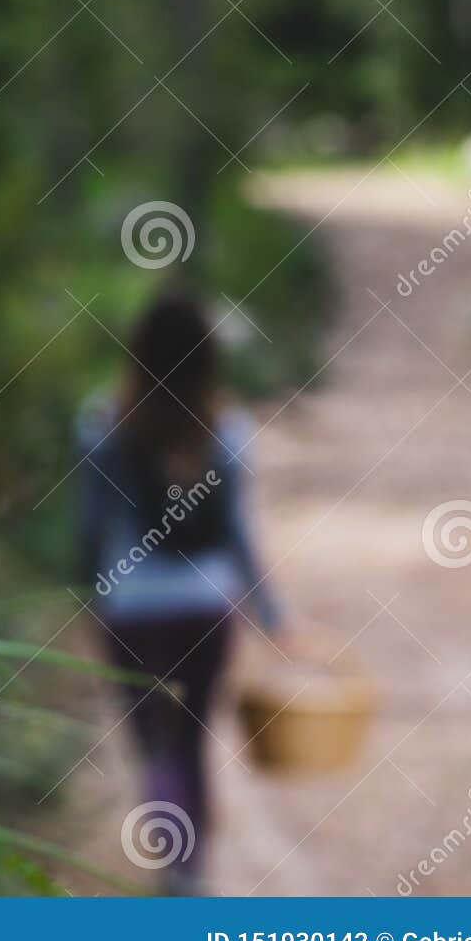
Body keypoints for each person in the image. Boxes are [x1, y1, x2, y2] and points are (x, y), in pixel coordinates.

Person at [76, 288, 282, 895]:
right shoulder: (227, 426)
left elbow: (91, 526)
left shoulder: (100, 423)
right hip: (206, 607)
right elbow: (241, 534)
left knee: (152, 745)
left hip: (131, 608)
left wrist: (88, 593)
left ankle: (174, 858)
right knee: (191, 739)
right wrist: (271, 614)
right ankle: (189, 876)